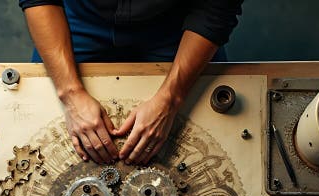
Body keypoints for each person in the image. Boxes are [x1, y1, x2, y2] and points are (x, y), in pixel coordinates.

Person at [19, 0, 244, 165]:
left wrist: (171, 99)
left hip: (175, 23)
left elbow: (218, 7)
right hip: (78, 17)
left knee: (217, 131)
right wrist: (70, 93)